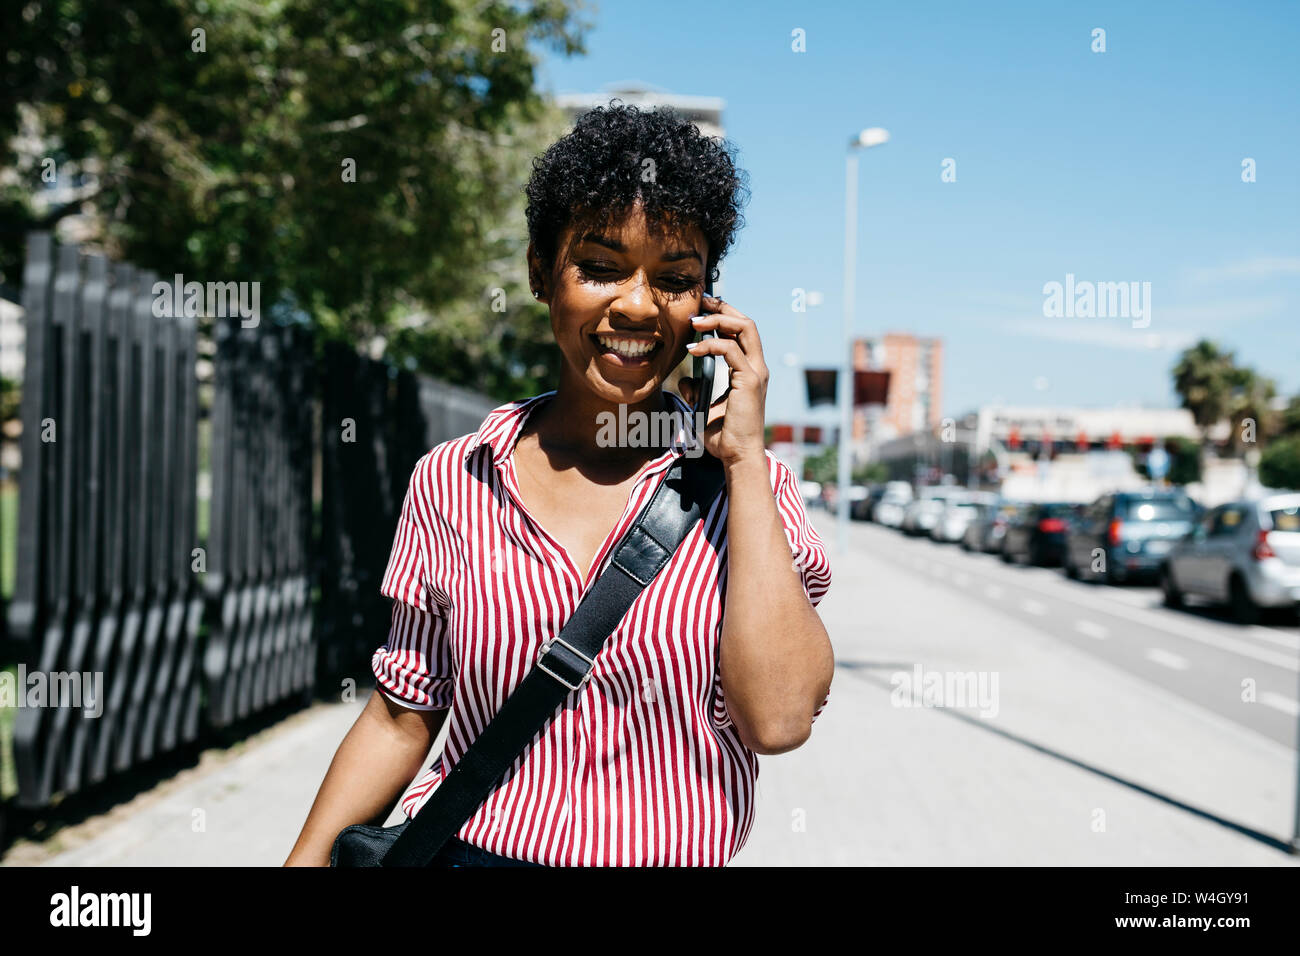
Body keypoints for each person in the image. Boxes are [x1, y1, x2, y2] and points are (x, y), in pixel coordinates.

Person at [286, 104, 834, 867]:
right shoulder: (454, 479)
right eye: (602, 267)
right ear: (542, 273)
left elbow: (779, 721)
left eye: (675, 280)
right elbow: (400, 718)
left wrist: (740, 462)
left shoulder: (753, 492)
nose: (638, 305)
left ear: (707, 307)